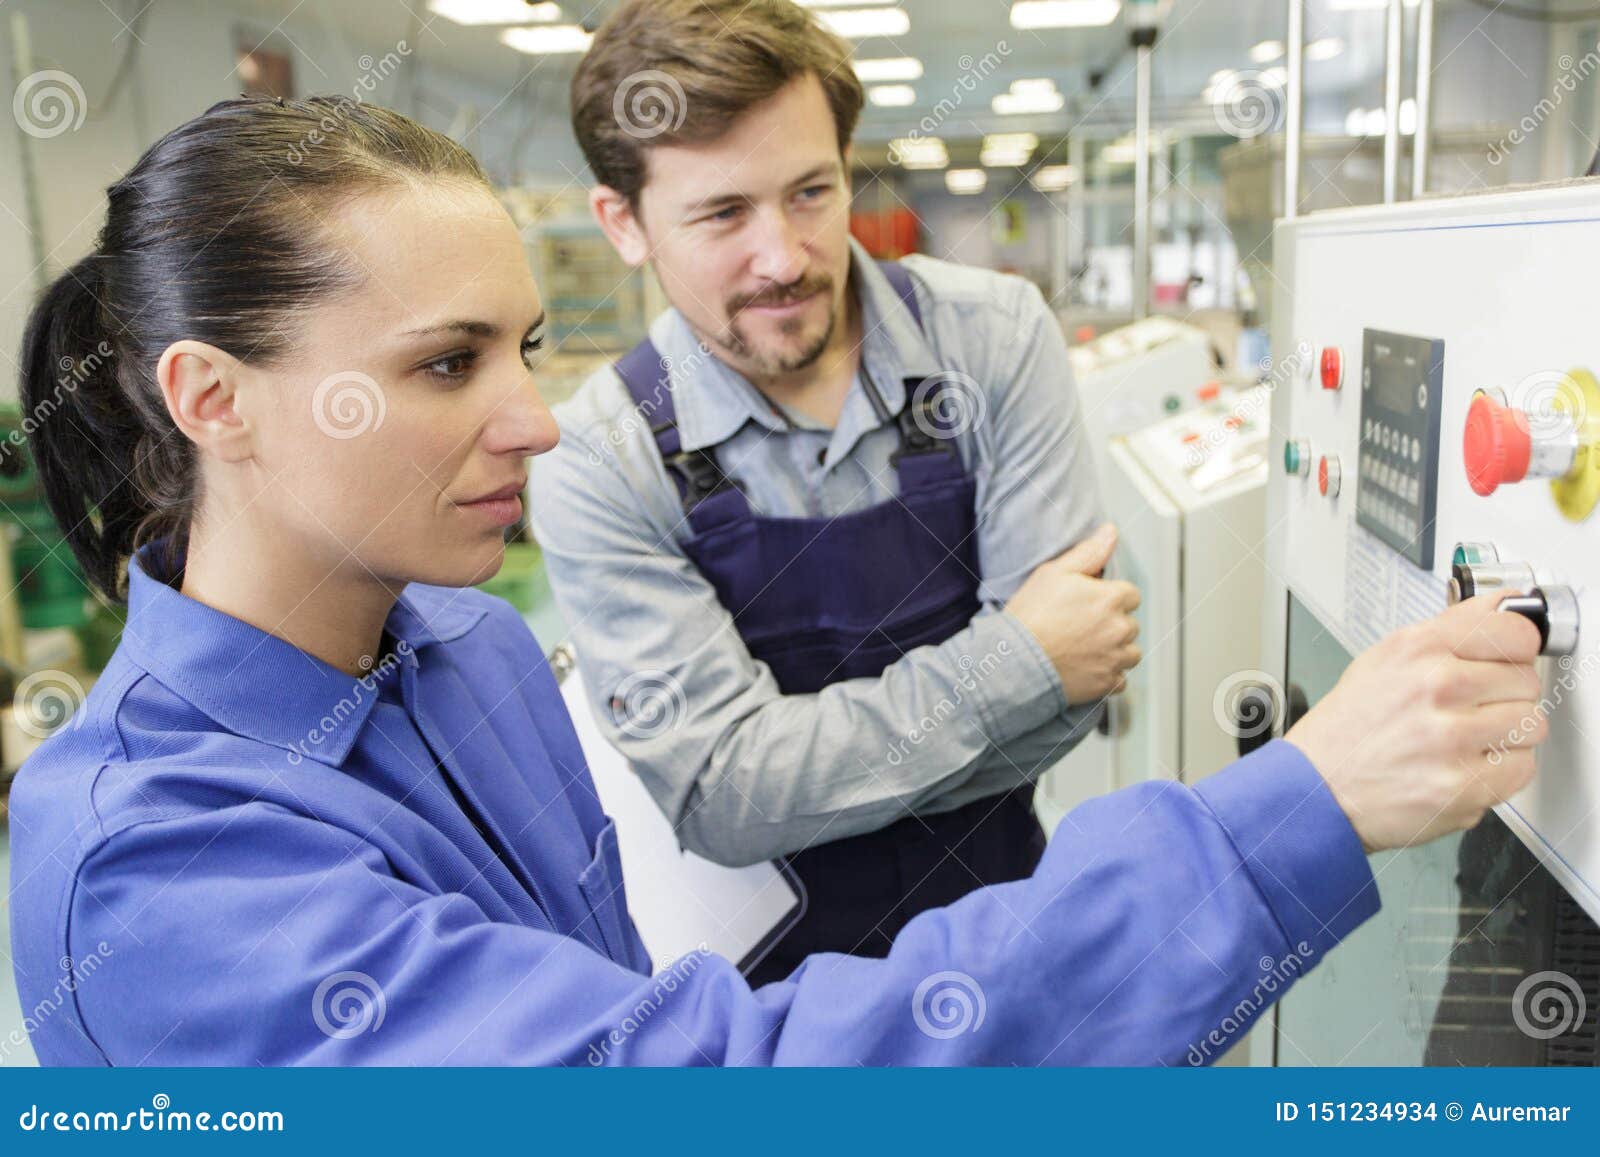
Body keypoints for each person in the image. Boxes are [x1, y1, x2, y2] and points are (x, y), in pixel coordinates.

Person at [7, 95, 1545, 1068]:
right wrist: (1292, 805)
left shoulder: (468, 647)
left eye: (527, 347)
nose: (539, 418)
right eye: (446, 364)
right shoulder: (159, 867)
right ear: (213, 399)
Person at [531, 0, 1141, 982]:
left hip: (1009, 944)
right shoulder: (596, 457)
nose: (783, 256)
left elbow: (1066, 713)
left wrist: (796, 769)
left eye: (811, 191)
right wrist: (1020, 659)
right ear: (624, 223)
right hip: (770, 1010)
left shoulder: (992, 339)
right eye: (723, 213)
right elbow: (721, 801)